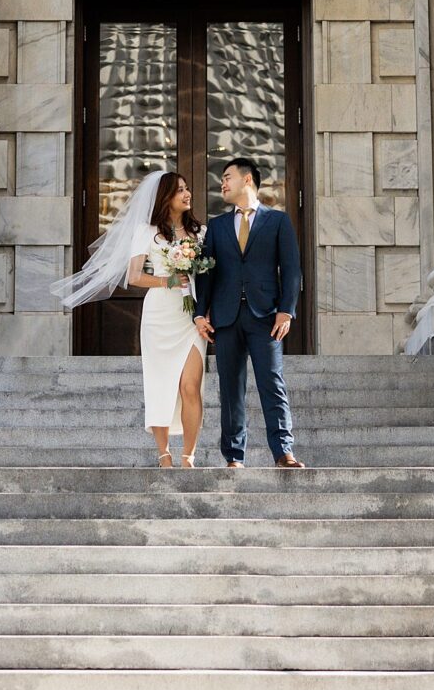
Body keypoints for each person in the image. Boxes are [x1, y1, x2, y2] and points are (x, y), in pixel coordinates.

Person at [52, 170, 206, 467]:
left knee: (190, 385)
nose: (187, 194)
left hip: (190, 317)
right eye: (179, 190)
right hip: (159, 314)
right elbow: (134, 276)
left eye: (187, 188)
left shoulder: (201, 233)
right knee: (160, 383)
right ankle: (164, 454)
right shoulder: (146, 232)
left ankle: (189, 455)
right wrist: (168, 281)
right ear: (165, 197)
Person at [193, 157, 305, 469]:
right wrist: (200, 313)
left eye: (227, 177)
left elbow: (291, 269)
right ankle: (234, 456)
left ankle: (283, 452)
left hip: (266, 317)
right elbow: (206, 275)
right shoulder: (217, 226)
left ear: (247, 180)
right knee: (230, 389)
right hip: (226, 318)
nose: (222, 184)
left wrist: (286, 311)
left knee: (272, 382)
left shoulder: (278, 221)